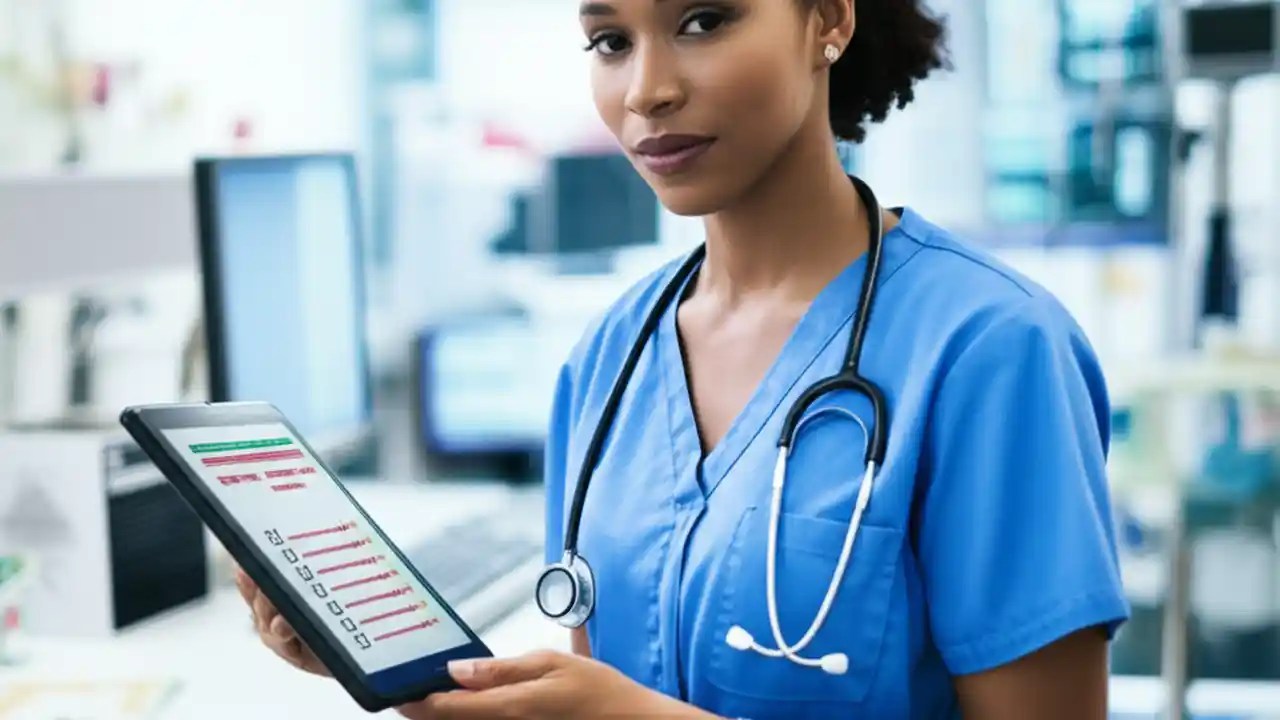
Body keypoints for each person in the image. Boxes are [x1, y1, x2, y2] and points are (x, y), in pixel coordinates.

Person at [238, 0, 1131, 717]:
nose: (647, 91)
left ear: (828, 19)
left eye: (703, 21)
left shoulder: (991, 350)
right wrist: (408, 679)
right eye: (610, 41)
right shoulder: (608, 359)